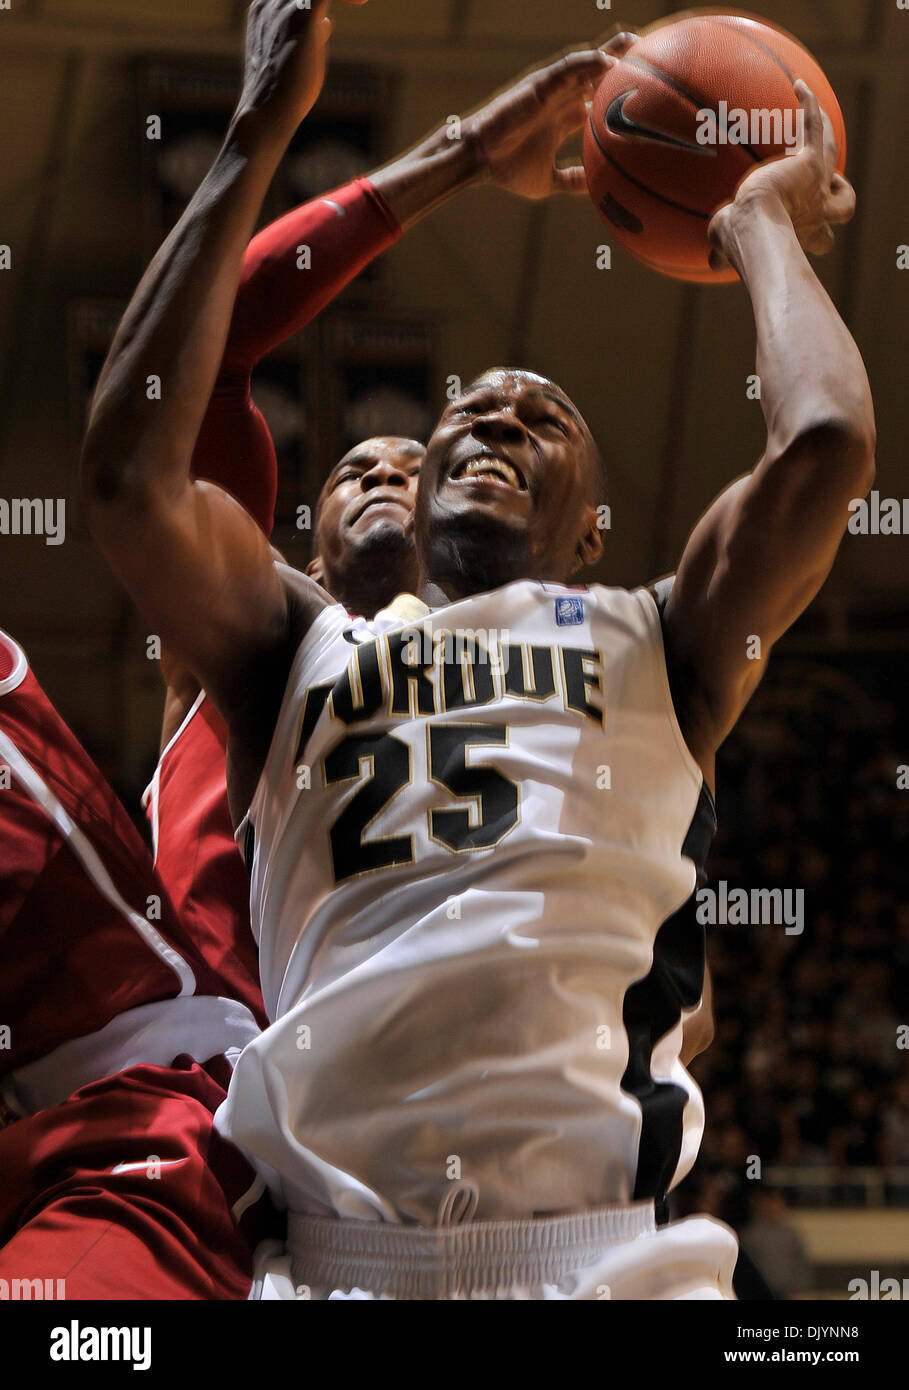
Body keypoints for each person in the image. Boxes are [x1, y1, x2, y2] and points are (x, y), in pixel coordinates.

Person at [82, 0, 874, 1299]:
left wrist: (757, 225)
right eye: (380, 455)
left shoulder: (634, 656)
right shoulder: (264, 647)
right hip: (236, 1200)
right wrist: (359, 144)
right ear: (302, 538)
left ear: (583, 551)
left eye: (529, 417)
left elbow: (821, 452)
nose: (427, 450)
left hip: (577, 1238)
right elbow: (163, 408)